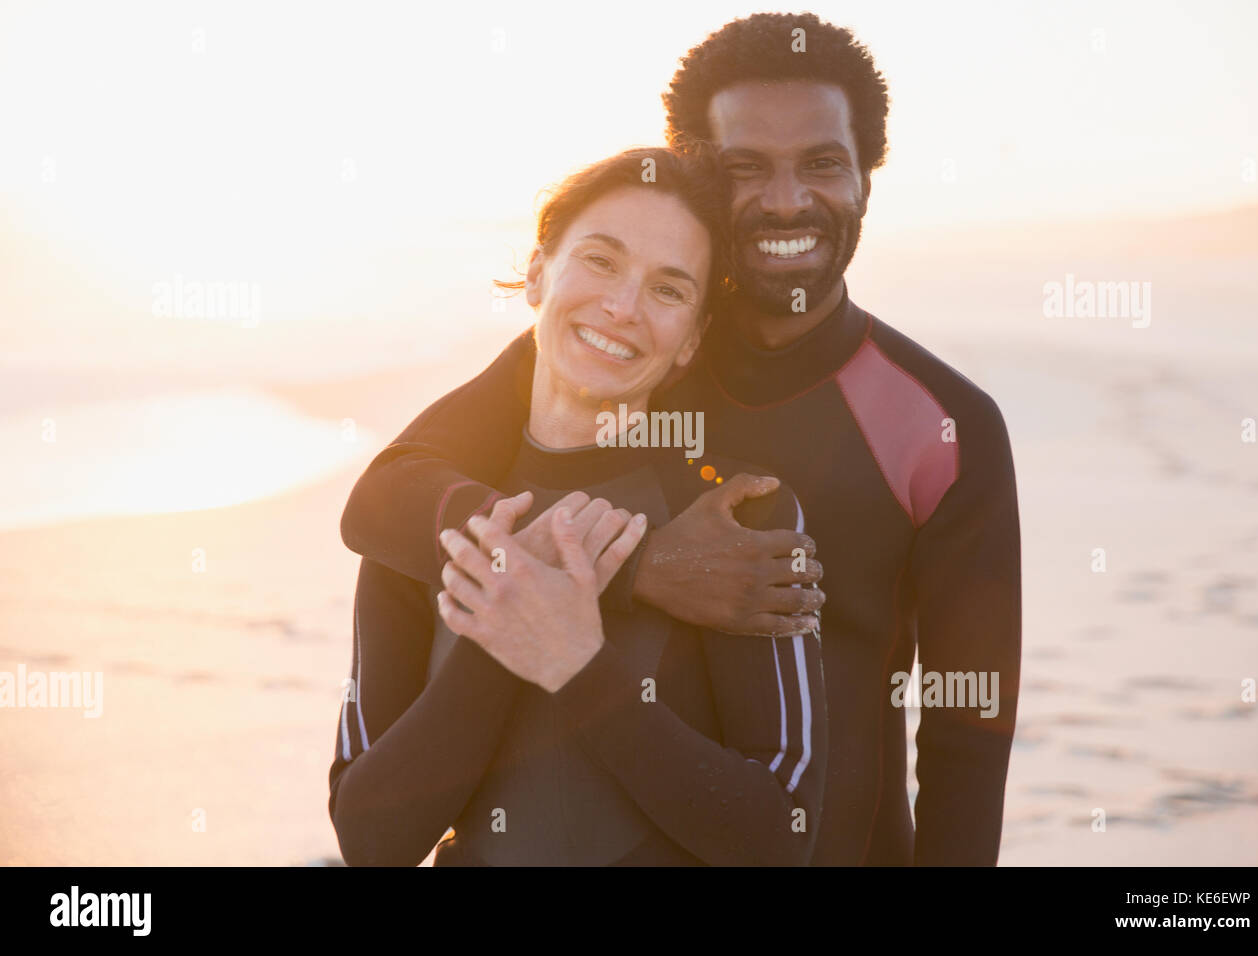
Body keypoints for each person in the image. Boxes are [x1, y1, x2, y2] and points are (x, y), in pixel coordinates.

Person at [338, 12, 1022, 866]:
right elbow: (383, 499)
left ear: (866, 178)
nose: (785, 200)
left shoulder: (941, 423)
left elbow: (968, 737)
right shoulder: (622, 352)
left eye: (823, 164)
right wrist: (643, 567)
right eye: (746, 167)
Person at [329, 145, 828, 866]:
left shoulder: (738, 516)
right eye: (599, 261)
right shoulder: (431, 514)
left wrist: (578, 666)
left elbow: (779, 838)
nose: (622, 307)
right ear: (537, 274)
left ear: (692, 340)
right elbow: (372, 840)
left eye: (669, 289)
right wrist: (511, 631)